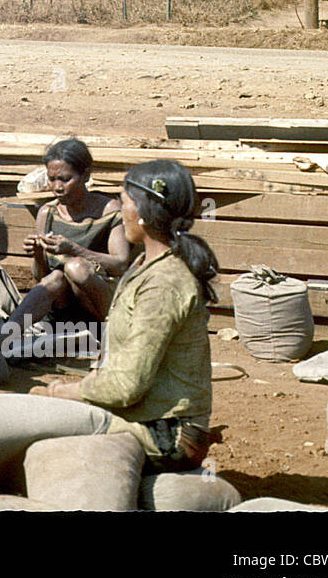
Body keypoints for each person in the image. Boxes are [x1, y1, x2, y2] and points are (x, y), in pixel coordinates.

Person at [46, 160, 217, 472]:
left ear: (144, 211)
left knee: (42, 420)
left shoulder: (165, 283)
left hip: (168, 434)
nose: (119, 212)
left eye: (123, 203)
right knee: (41, 404)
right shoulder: (145, 266)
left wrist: (64, 392)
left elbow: (127, 386)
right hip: (145, 414)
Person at [5, 138, 130, 334]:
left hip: (101, 309)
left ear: (85, 175)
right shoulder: (47, 213)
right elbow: (41, 277)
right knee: (55, 277)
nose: (57, 187)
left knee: (76, 268)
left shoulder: (108, 211)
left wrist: (75, 250)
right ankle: (3, 336)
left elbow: (121, 263)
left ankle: (113, 333)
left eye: (65, 179)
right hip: (64, 310)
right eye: (52, 179)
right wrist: (38, 255)